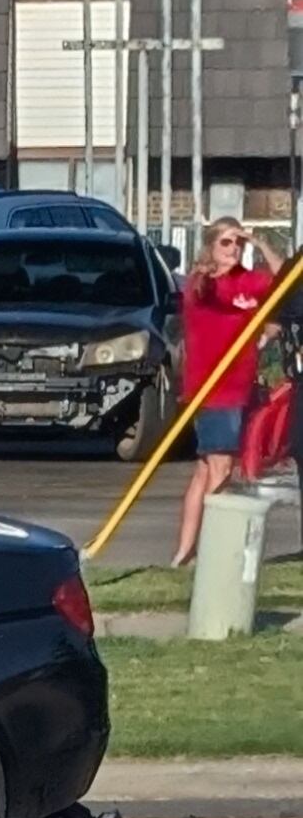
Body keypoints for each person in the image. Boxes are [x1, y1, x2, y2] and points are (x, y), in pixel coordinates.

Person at [174, 218, 288, 567]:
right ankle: (210, 550)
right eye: (226, 243)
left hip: (238, 387)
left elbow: (284, 280)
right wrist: (209, 265)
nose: (234, 249)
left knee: (207, 470)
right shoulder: (201, 284)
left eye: (237, 244)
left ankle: (185, 552)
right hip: (212, 389)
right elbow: (205, 292)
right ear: (210, 246)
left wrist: (259, 242)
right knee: (220, 468)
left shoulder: (246, 281)